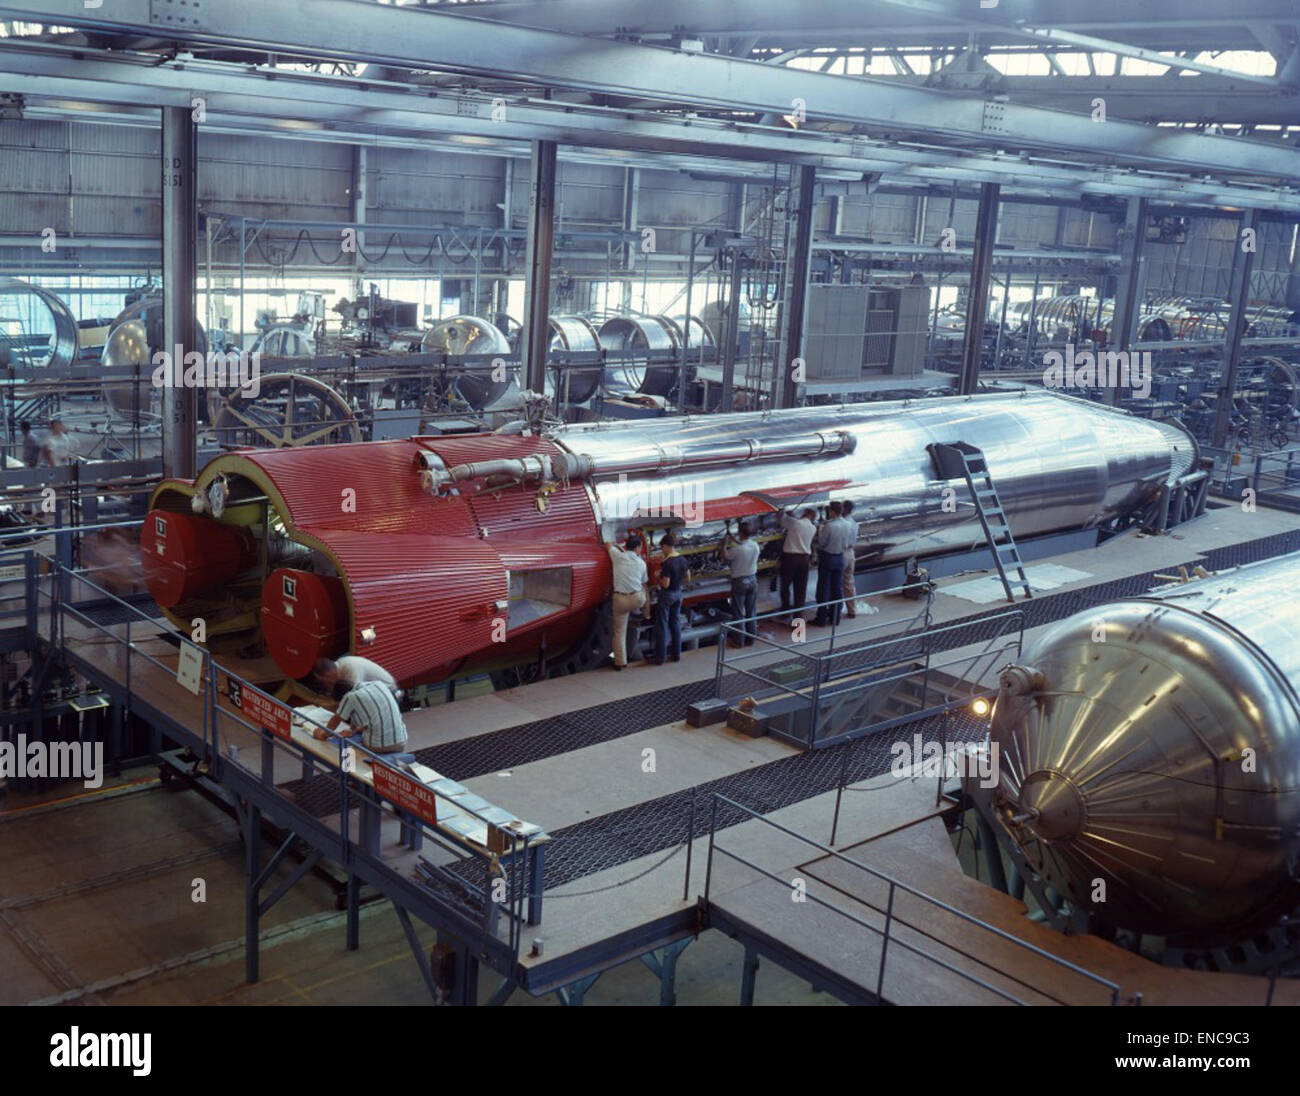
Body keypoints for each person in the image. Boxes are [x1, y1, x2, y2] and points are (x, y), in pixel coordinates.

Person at [313, 679, 409, 755]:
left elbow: (336, 719)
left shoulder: (350, 697)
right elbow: (361, 713)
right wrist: (352, 730)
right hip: (402, 741)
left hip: (378, 746)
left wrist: (323, 735)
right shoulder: (378, 684)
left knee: (347, 748)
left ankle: (350, 772)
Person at [607, 534, 648, 670]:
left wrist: (618, 547)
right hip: (637, 600)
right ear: (637, 548)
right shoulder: (641, 563)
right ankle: (641, 613)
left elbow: (608, 544)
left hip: (620, 600)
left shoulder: (618, 557)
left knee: (619, 632)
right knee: (642, 590)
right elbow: (644, 582)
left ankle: (620, 663)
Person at [649, 532, 691, 664]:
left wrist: (657, 577)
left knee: (662, 625)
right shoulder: (683, 559)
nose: (662, 550)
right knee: (676, 623)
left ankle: (660, 657)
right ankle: (676, 654)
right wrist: (677, 579)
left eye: (662, 547)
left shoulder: (667, 563)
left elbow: (665, 584)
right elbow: (688, 578)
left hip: (667, 595)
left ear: (667, 546)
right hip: (679, 593)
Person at [813, 501, 854, 627]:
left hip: (828, 558)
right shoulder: (848, 524)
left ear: (832, 512)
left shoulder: (829, 526)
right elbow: (847, 542)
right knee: (837, 589)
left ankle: (821, 619)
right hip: (840, 558)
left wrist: (819, 532)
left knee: (823, 589)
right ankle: (835, 617)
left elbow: (822, 543)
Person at [723, 521, 760, 646]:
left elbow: (725, 556)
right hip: (753, 580)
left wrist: (724, 544)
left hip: (739, 582)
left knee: (738, 613)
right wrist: (733, 538)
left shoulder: (736, 549)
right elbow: (742, 544)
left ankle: (739, 641)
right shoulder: (755, 545)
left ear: (739, 532)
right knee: (751, 611)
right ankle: (751, 639)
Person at [778, 507, 816, 617]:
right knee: (800, 589)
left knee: (785, 586)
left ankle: (785, 612)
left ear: (804, 513)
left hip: (790, 558)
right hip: (804, 560)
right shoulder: (813, 528)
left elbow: (782, 520)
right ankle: (798, 616)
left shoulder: (795, 523)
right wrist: (792, 516)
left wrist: (784, 512)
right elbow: (796, 523)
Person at [313, 655, 397, 698]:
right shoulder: (340, 665)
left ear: (328, 673)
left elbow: (355, 696)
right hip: (375, 690)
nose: (326, 683)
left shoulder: (349, 668)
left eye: (325, 680)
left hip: (388, 691)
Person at [840, 500, 860, 620]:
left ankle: (834, 612)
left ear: (845, 509)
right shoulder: (854, 523)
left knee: (836, 583)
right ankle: (852, 610)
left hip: (841, 553)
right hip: (851, 553)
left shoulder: (843, 523)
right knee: (849, 583)